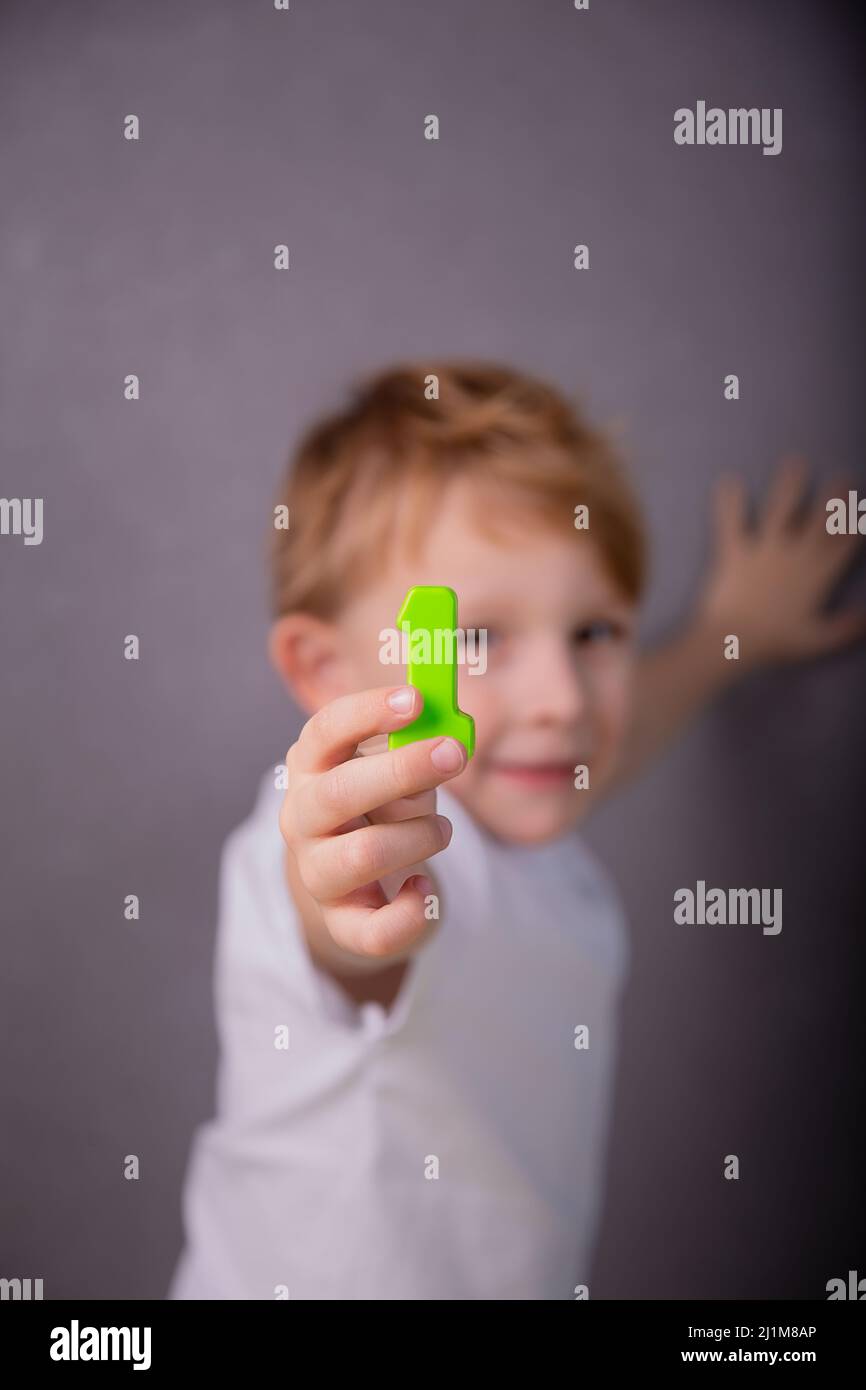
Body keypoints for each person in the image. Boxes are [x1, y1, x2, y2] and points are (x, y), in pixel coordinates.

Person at [169, 361, 862, 1300]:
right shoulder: (353, 833)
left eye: (595, 634)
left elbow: (621, 723)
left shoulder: (534, 799)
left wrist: (723, 633)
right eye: (476, 639)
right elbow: (348, 913)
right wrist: (344, 881)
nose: (562, 700)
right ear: (324, 671)